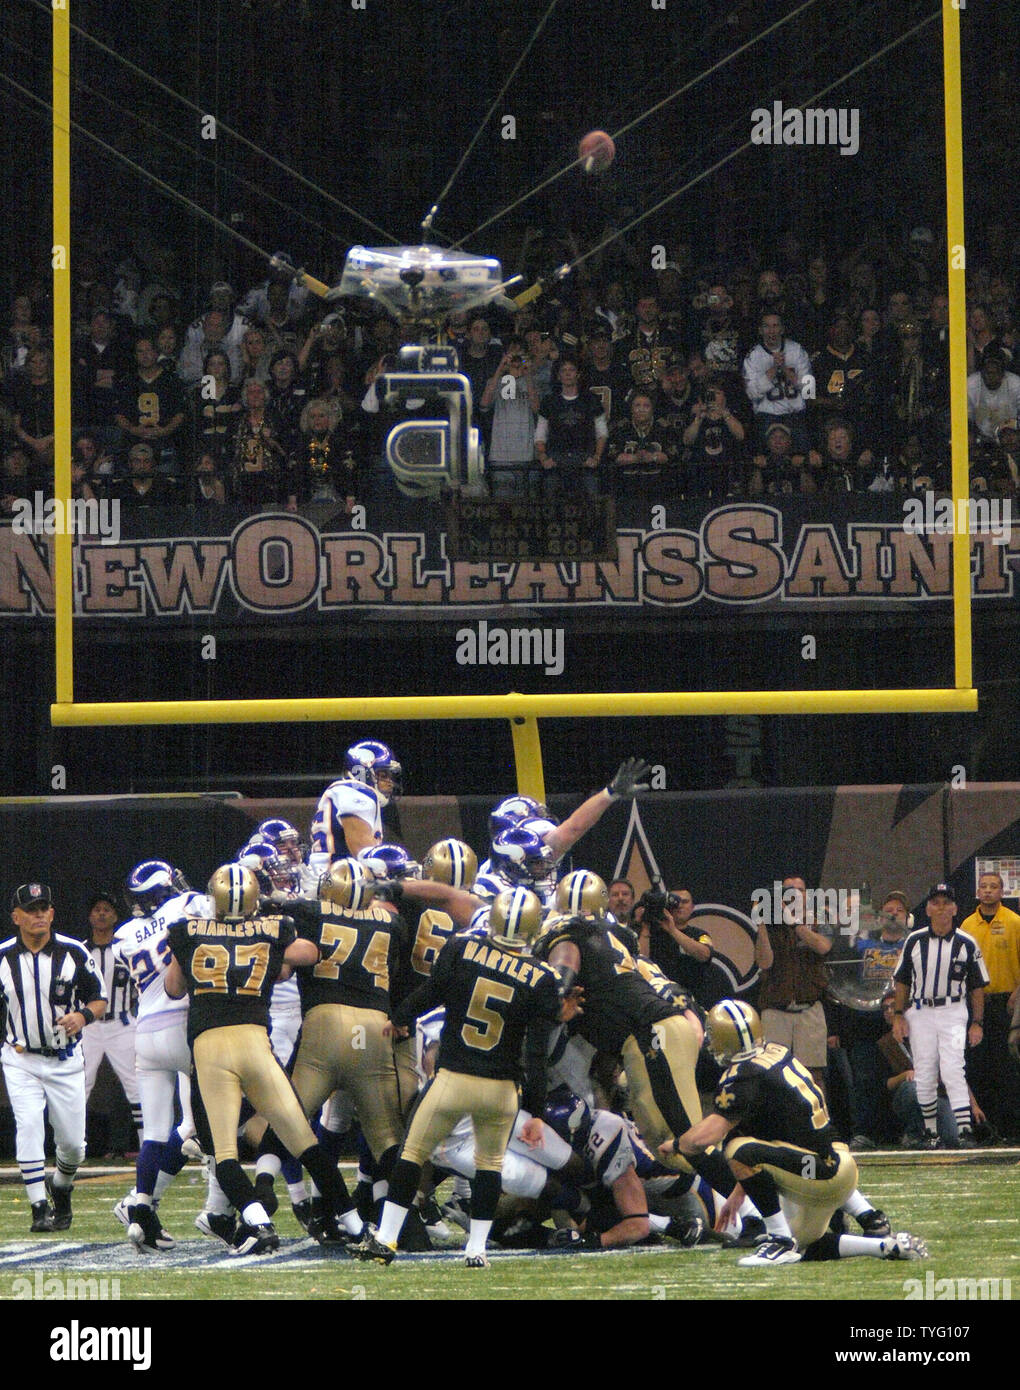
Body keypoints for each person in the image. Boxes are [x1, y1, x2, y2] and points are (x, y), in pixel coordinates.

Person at [356, 885, 562, 1268]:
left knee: (412, 1154)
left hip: (454, 1077)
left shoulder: (462, 950)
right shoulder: (543, 978)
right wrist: (535, 1112)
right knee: (490, 1165)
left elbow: (431, 992)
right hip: (501, 1089)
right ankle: (476, 1249)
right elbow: (536, 1055)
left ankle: (385, 1240)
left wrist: (400, 1017)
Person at [164, 864, 353, 1253]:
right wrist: (270, 961)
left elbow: (172, 988)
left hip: (210, 1045)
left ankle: (258, 1222)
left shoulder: (186, 931)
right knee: (305, 1141)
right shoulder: (274, 928)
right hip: (256, 1042)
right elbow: (309, 952)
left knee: (223, 1151)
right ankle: (354, 1224)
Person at [666, 1000, 927, 1265]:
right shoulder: (775, 1051)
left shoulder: (743, 1076)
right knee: (806, 1246)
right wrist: (739, 1192)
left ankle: (778, 1240)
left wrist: (676, 1145)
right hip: (838, 1164)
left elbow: (705, 1138)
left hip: (818, 1174)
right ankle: (882, 1242)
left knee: (737, 1149)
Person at [0, 883, 107, 1232]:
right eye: (31, 910)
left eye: (43, 908)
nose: (38, 915)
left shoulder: (74, 952)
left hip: (64, 1059)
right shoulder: (3, 956)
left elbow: (99, 998)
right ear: (16, 917)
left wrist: (83, 1017)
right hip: (21, 1057)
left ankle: (60, 1186)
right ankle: (38, 1208)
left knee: (74, 1146)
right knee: (28, 1125)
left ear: (52, 914)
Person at [891, 883, 989, 1148]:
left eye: (947, 902)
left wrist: (976, 1022)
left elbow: (977, 986)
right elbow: (901, 980)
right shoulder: (915, 940)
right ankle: (931, 1132)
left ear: (956, 908)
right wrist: (899, 1015)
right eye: (936, 902)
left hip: (953, 1009)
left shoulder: (967, 942)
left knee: (953, 1067)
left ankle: (964, 1129)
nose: (942, 907)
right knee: (924, 1070)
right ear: (928, 908)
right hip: (921, 1010)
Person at [754, 875, 832, 1093]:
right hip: (776, 1008)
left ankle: (818, 1122)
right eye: (790, 890)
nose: (796, 894)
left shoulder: (818, 920)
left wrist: (793, 922)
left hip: (810, 1008)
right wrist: (761, 923)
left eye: (801, 889)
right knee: (772, 1073)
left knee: (813, 1074)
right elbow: (764, 961)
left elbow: (823, 947)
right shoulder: (770, 924)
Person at [958, 871, 1020, 1141]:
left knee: (1005, 1067)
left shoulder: (1014, 921)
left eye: (993, 887)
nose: (988, 891)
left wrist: (1017, 994)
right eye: (983, 886)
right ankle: (984, 1129)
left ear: (1002, 892)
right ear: (977, 891)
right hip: (977, 1004)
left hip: (1007, 1001)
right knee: (978, 1065)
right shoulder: (967, 925)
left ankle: (1010, 1129)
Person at [80, 891, 142, 1155]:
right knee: (79, 1084)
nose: (102, 913)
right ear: (90, 915)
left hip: (122, 1023)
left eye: (107, 909)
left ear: (116, 916)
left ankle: (147, 1144)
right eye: (97, 909)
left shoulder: (126, 947)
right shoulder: (80, 951)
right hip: (89, 1026)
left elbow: (143, 982)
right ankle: (73, 1146)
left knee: (136, 1084)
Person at [308, 739, 403, 870]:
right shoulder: (355, 791)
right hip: (336, 880)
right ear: (363, 773)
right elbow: (366, 858)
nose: (390, 783)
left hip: (336, 876)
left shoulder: (345, 791)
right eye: (383, 775)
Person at [534, 357, 608, 498]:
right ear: (558, 375)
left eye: (571, 370)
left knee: (592, 504)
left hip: (585, 461)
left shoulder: (591, 400)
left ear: (578, 374)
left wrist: (597, 457)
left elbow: (602, 432)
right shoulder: (549, 402)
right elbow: (540, 433)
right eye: (564, 370)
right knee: (550, 506)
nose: (568, 374)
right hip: (555, 461)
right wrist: (543, 457)